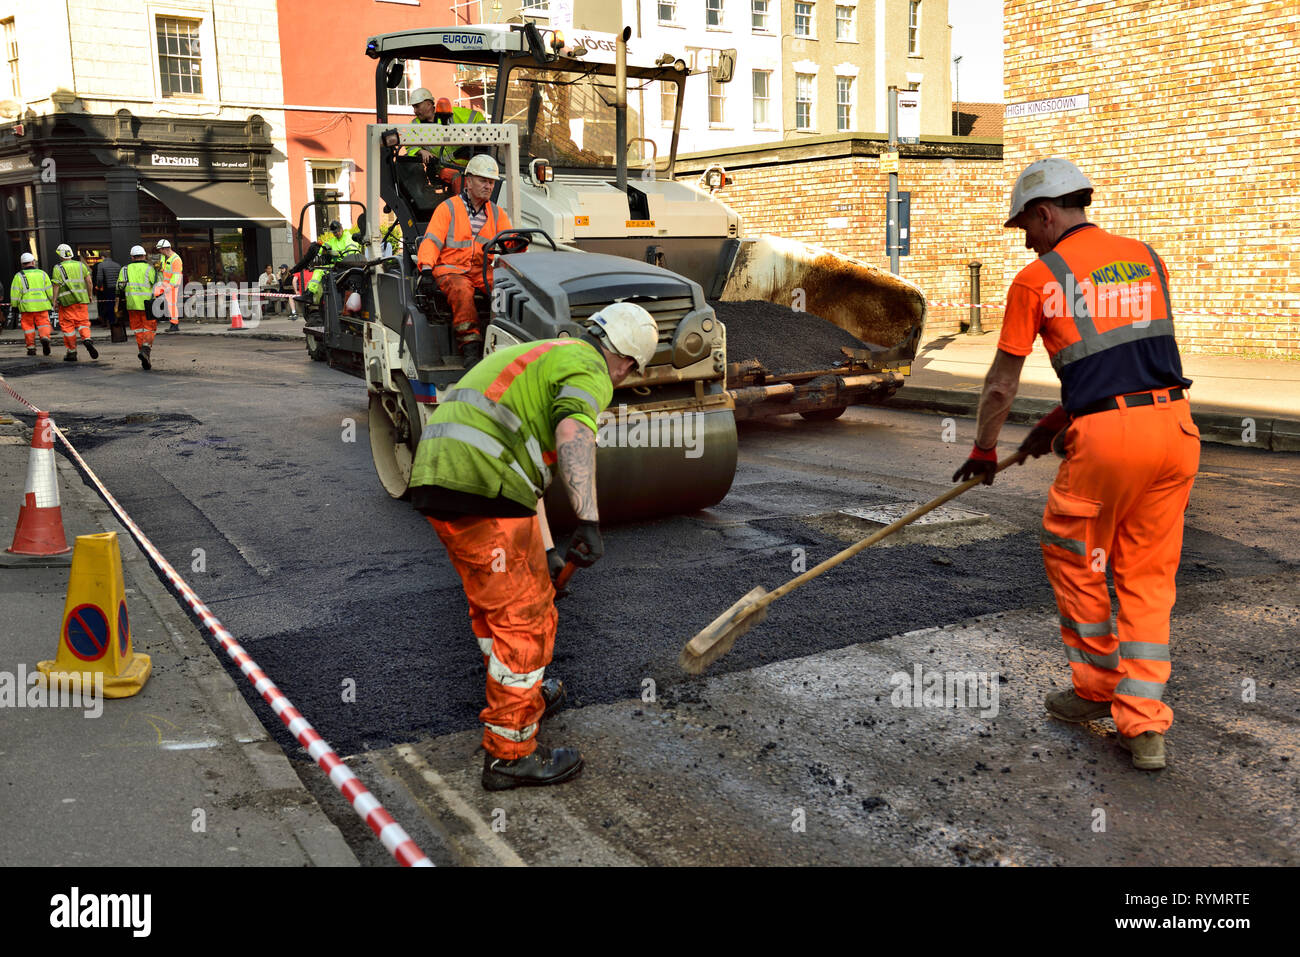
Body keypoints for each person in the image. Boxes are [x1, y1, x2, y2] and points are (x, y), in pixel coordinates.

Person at [952, 157, 1198, 771]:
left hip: (1110, 440)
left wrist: (984, 449)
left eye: (1025, 228)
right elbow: (1124, 357)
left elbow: (1001, 384)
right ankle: (1144, 726)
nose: (1026, 242)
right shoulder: (1146, 258)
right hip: (1175, 428)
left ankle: (1095, 688)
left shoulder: (1036, 280)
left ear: (1044, 213)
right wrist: (1054, 422)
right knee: (1147, 576)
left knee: (1074, 553)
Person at [409, 302, 659, 790]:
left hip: (443, 480)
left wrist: (547, 551)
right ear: (627, 361)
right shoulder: (590, 369)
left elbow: (528, 467)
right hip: (485, 487)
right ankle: (510, 754)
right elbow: (573, 433)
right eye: (631, 370)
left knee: (498, 605)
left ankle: (522, 694)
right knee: (523, 620)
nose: (624, 377)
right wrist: (588, 520)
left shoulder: (545, 354)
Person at [416, 153, 511, 367]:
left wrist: (519, 244)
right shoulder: (448, 208)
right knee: (462, 291)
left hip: (481, 271)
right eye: (483, 180)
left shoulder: (497, 214)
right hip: (450, 270)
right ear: (468, 181)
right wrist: (427, 269)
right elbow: (431, 241)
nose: (488, 186)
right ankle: (470, 348)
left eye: (491, 182)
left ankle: (503, 339)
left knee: (507, 289)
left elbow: (510, 241)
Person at [51, 244, 98, 361]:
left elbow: (56, 286)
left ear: (60, 255)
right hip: (81, 301)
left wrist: (54, 301)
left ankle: (72, 352)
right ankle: (87, 339)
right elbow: (89, 282)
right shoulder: (81, 265)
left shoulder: (58, 268)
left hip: (66, 303)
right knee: (83, 323)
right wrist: (90, 295)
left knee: (68, 328)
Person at [117, 245, 160, 370]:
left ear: (132, 257)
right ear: (144, 256)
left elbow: (119, 287)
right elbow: (157, 285)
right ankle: (145, 349)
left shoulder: (124, 269)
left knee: (138, 330)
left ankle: (143, 352)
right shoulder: (150, 269)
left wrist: (117, 303)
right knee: (149, 328)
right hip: (148, 304)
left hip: (132, 304)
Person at [10, 252, 54, 357]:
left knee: (28, 328)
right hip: (42, 306)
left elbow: (15, 293)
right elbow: (49, 291)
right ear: (33, 262)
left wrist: (14, 306)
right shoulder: (42, 274)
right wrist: (53, 301)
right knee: (44, 324)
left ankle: (31, 348)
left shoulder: (18, 276)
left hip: (26, 307)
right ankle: (44, 337)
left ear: (22, 264)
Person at [154, 239, 183, 332]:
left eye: (160, 249)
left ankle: (174, 324)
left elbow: (176, 275)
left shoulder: (176, 259)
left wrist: (169, 287)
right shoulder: (164, 257)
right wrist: (159, 268)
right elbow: (165, 270)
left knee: (172, 305)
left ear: (164, 249)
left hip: (172, 286)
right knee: (153, 294)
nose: (159, 251)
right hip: (165, 284)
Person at [92, 252, 122, 328]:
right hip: (117, 288)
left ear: (102, 257)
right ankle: (118, 321)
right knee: (117, 305)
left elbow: (99, 278)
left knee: (109, 305)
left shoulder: (101, 265)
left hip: (108, 288)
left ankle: (111, 322)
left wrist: (98, 287)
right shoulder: (117, 265)